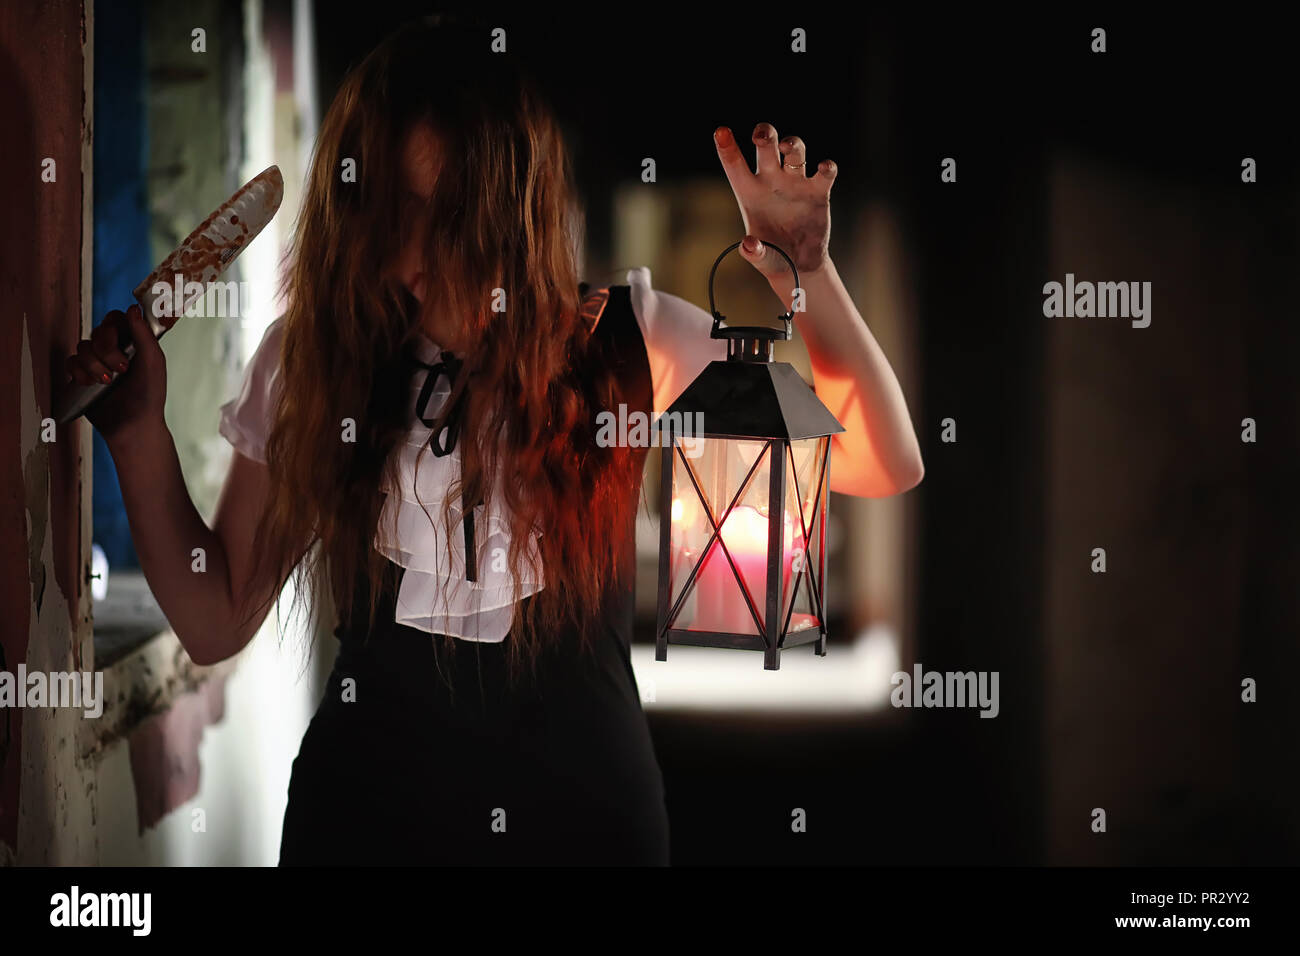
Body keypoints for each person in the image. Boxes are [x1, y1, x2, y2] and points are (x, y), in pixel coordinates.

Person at [65, 19, 924, 865]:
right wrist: (138, 432)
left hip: (588, 828)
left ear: (509, 211)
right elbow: (217, 619)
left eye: (444, 213)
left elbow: (882, 461)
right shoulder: (316, 356)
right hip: (360, 827)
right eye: (390, 208)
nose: (411, 251)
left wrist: (806, 269)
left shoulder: (631, 336)